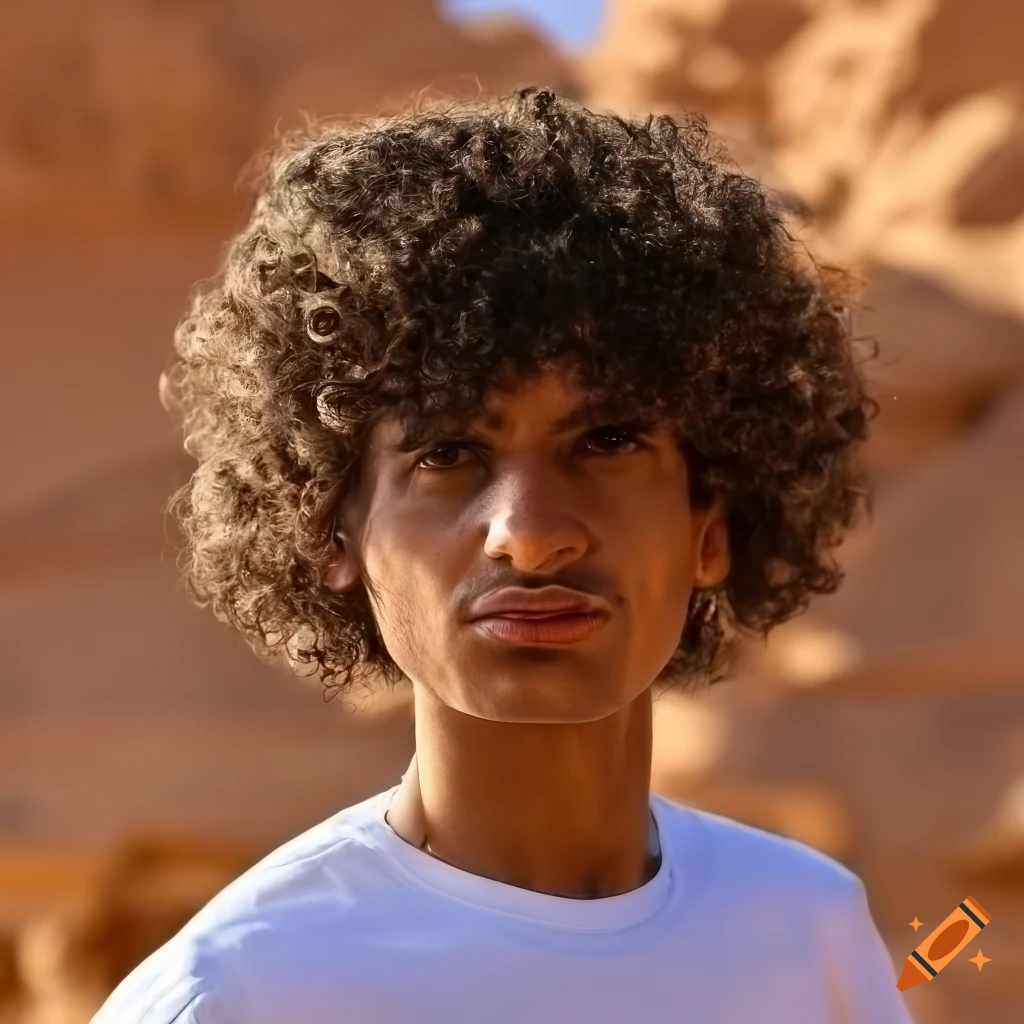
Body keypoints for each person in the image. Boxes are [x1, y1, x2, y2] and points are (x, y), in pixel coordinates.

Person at [91, 87, 915, 1023]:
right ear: (334, 535)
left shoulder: (807, 930)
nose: (528, 532)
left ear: (710, 529)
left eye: (606, 443)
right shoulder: (241, 993)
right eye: (447, 455)